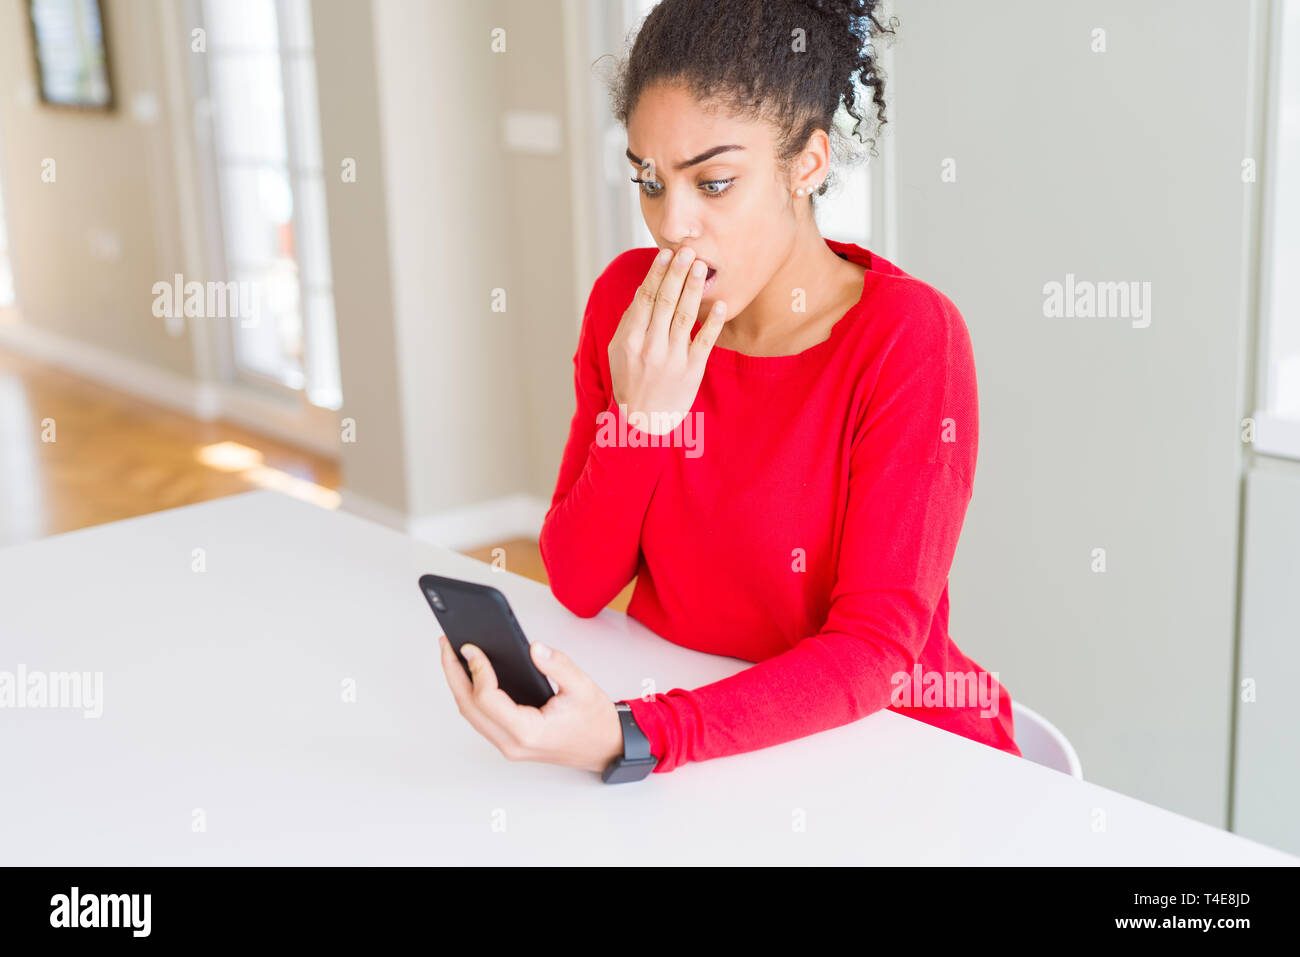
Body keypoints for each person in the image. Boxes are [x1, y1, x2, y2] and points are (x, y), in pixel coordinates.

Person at [437, 0, 1022, 777]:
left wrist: (639, 735)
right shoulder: (628, 305)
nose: (671, 224)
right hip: (710, 745)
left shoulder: (909, 340)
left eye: (713, 183)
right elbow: (579, 582)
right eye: (649, 180)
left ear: (806, 164)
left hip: (899, 754)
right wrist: (641, 423)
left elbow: (875, 652)